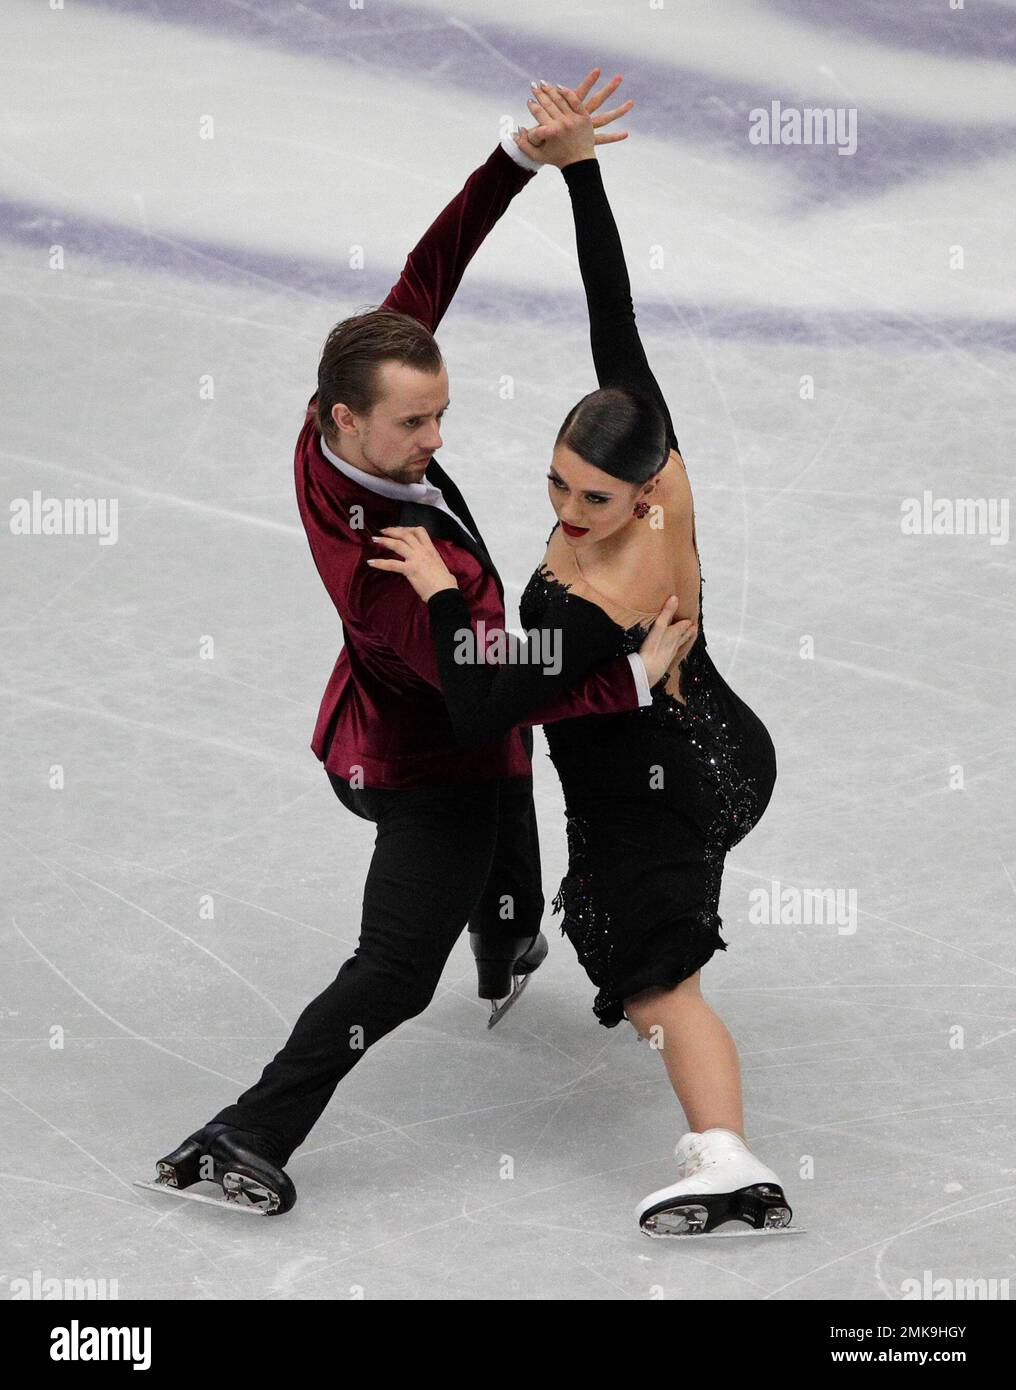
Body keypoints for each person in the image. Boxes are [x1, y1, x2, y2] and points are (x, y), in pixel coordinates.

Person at [144, 70, 692, 1217]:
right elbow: (488, 697)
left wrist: (517, 160)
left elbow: (427, 273)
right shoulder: (384, 553)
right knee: (395, 965)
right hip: (424, 754)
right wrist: (628, 674)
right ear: (345, 418)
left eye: (439, 411)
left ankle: (504, 947)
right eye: (415, 422)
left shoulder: (348, 400)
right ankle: (244, 1130)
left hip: (446, 722)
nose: (437, 437)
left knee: (511, 845)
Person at [371, 83, 793, 1237]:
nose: (566, 506)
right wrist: (576, 171)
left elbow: (481, 708)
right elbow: (615, 314)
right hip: (720, 734)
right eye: (555, 480)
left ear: (643, 488)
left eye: (592, 495)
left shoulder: (605, 603)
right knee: (641, 944)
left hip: (655, 775)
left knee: (657, 976)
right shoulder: (650, 447)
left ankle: (726, 1155)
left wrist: (446, 597)